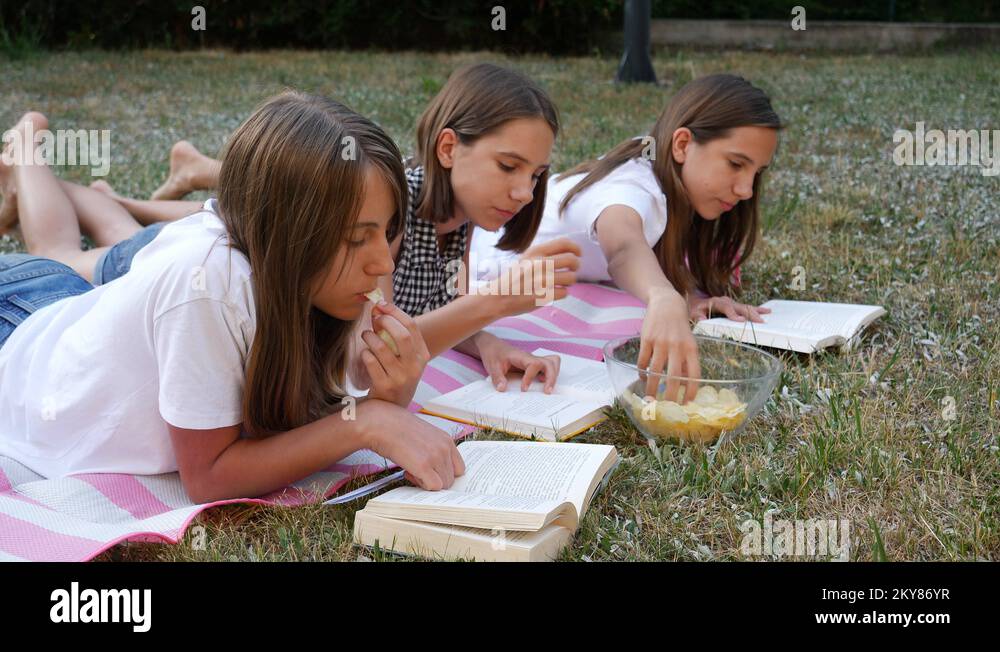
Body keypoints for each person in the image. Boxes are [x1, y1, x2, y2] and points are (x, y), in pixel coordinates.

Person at [0, 93, 466, 502]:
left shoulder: (315, 280)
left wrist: (387, 394)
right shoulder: (210, 285)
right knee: (58, 254)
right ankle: (25, 155)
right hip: (16, 320)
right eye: (355, 238)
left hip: (70, 307)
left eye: (388, 233)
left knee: (68, 255)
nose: (383, 264)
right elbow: (208, 476)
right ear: (288, 233)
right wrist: (366, 422)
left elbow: (316, 410)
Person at [472, 73, 782, 400]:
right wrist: (664, 298)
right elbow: (623, 247)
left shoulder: (658, 164)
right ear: (682, 144)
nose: (746, 190)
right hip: (485, 270)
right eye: (735, 164)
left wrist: (690, 299)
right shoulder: (633, 188)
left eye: (756, 173)